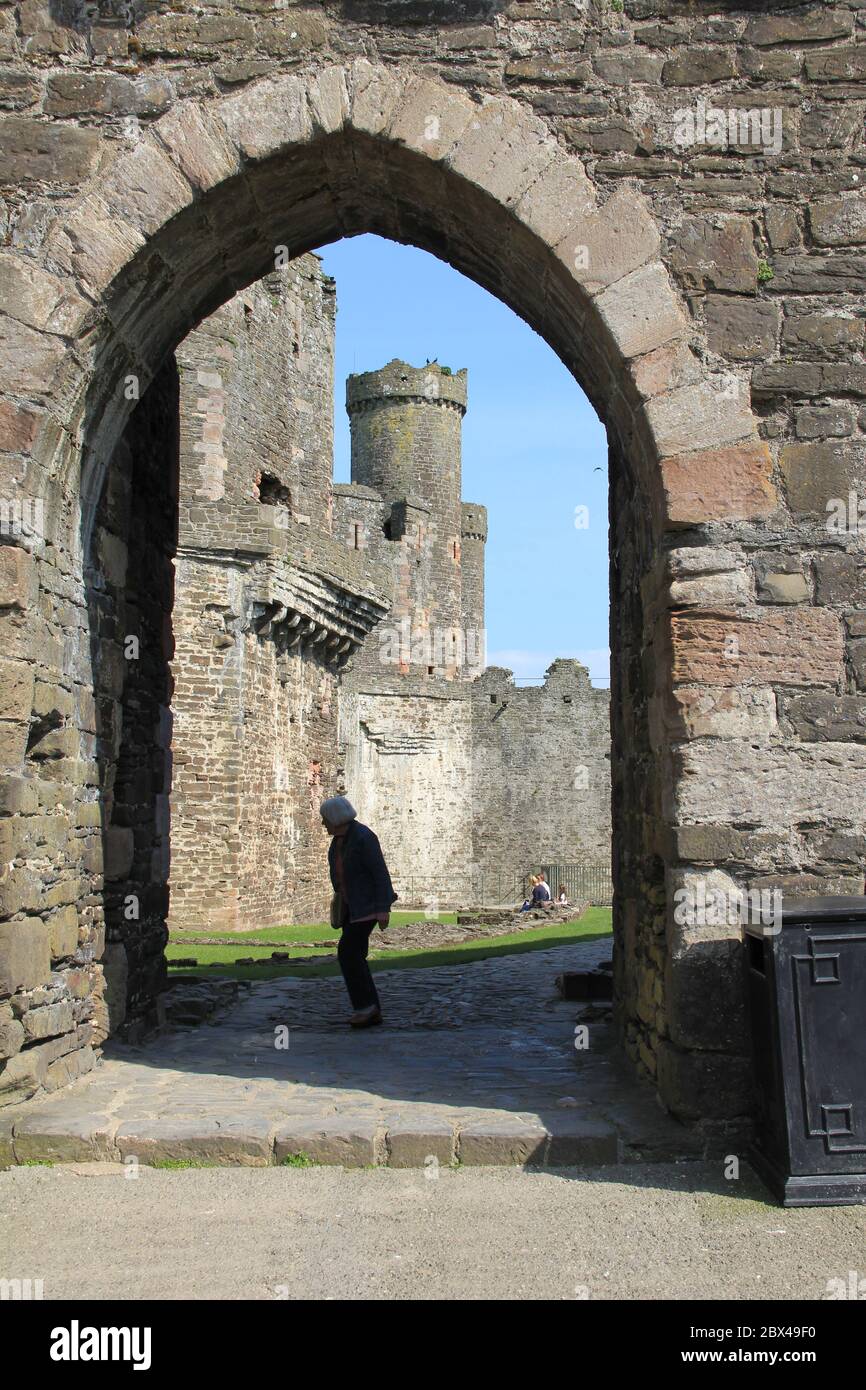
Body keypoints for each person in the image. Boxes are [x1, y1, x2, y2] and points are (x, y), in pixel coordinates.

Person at [320, 796, 397, 1028]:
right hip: (350, 908)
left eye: (326, 819)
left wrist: (383, 909)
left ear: (335, 819)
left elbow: (379, 873)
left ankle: (366, 1007)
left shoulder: (363, 837)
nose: (323, 824)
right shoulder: (339, 842)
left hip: (366, 907)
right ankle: (370, 1009)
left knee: (347, 953)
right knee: (355, 956)